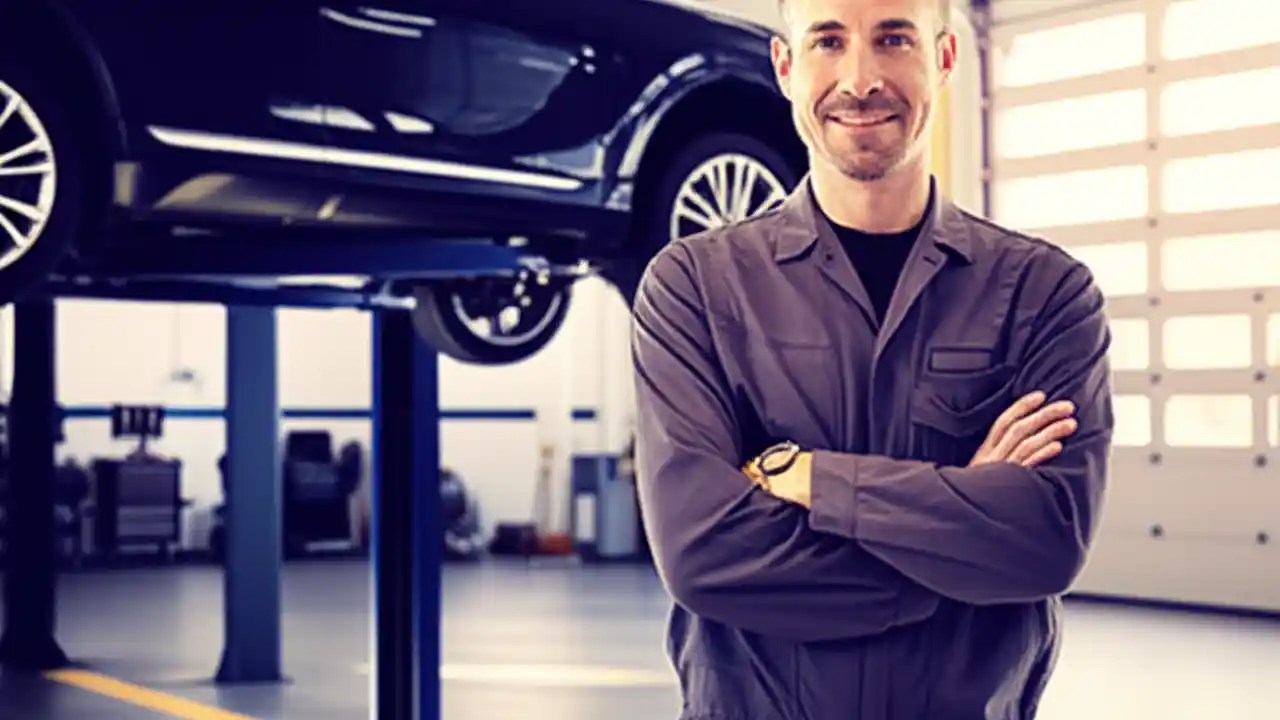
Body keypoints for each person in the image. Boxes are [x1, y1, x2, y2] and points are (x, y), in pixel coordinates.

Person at [628, 0, 1115, 717]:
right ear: (786, 68)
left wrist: (811, 478)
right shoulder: (694, 288)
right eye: (828, 40)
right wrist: (954, 538)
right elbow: (702, 551)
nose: (859, 78)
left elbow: (1044, 542)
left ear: (943, 57)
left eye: (893, 38)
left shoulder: (1044, 295)